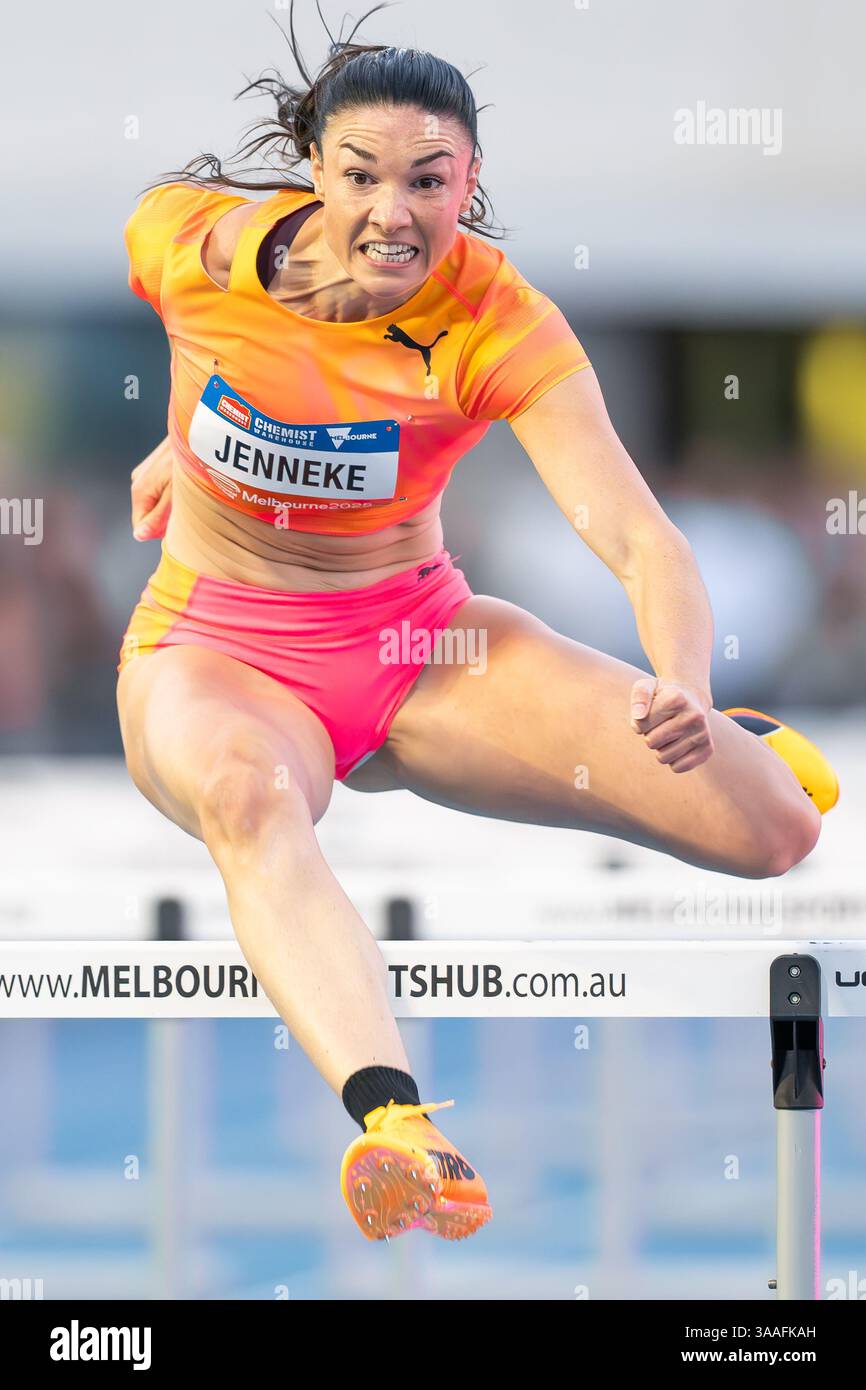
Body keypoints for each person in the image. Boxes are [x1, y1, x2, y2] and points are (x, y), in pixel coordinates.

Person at [117, 8, 837, 1243]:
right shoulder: (182, 242)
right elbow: (225, 362)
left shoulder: (497, 324)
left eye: (428, 181)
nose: (393, 212)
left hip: (416, 654)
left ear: (469, 184)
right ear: (313, 171)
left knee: (773, 834)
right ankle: (399, 1126)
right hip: (218, 654)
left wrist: (674, 676)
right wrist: (181, 445)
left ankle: (741, 734)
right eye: (360, 177)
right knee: (246, 799)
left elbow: (636, 535)